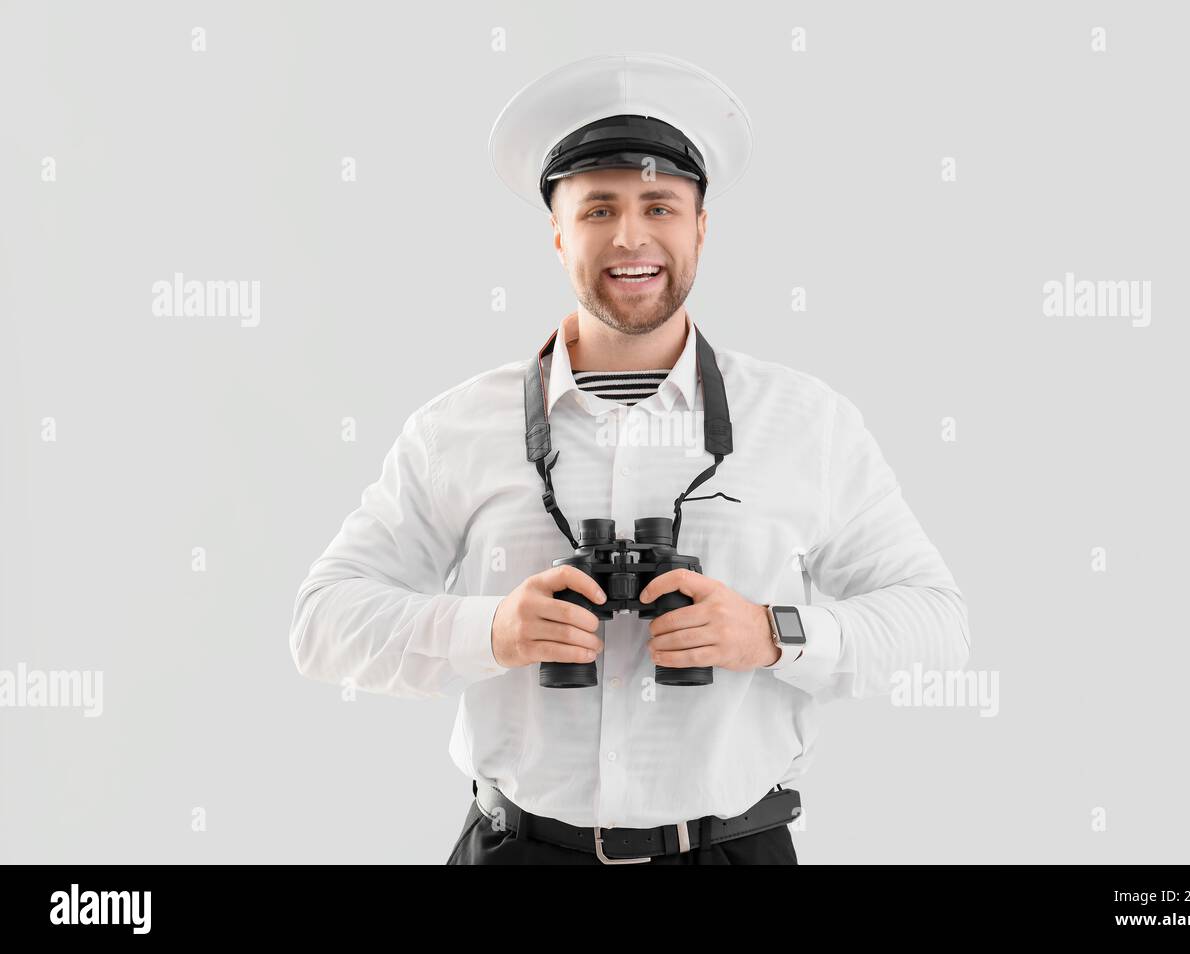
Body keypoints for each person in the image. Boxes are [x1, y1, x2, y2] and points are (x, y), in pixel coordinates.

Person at [289, 52, 970, 865]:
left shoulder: (807, 423)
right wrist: (493, 629)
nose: (631, 236)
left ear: (701, 226)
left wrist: (769, 632)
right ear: (557, 232)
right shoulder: (456, 427)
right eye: (598, 209)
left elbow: (937, 625)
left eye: (659, 206)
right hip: (518, 847)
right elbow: (322, 623)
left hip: (731, 847)